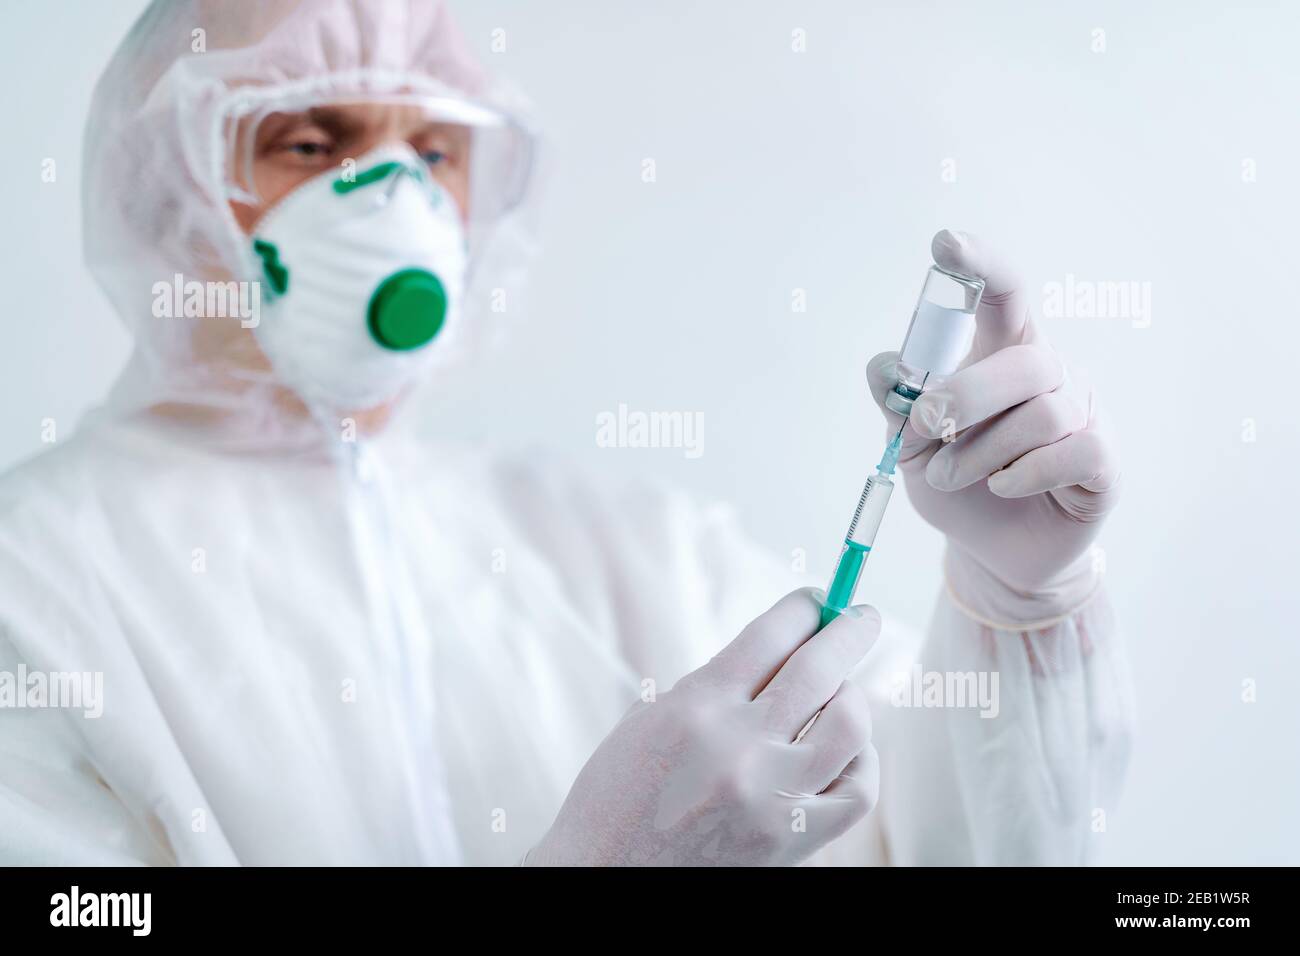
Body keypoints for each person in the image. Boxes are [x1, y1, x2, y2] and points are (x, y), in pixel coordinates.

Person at [0, 0, 1130, 866]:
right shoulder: (36, 589)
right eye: (308, 142)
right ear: (169, 190)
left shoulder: (615, 542)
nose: (394, 200)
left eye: (433, 153)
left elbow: (928, 849)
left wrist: (1011, 608)